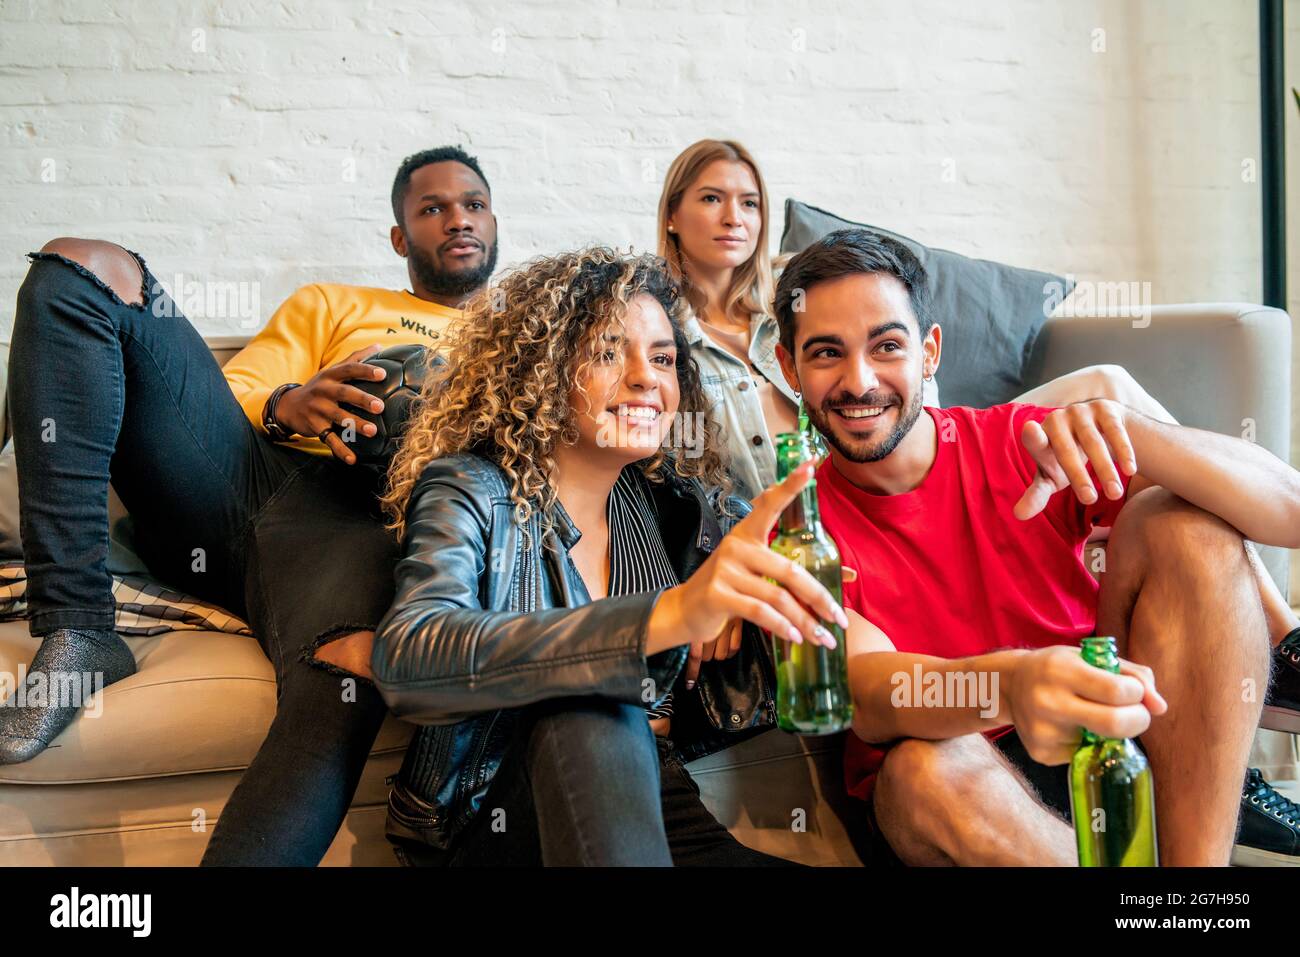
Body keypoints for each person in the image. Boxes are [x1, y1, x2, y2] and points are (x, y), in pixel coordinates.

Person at [0, 145, 496, 865]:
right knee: (78, 264)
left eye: (473, 204)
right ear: (400, 236)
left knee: (347, 674)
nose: (457, 218)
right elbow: (234, 396)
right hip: (245, 483)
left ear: (494, 220)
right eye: (433, 207)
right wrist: (291, 403)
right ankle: (79, 627)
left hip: (370, 533)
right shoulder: (331, 303)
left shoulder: (522, 341)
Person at [769, 227, 1300, 865]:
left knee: (1183, 522)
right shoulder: (796, 529)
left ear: (930, 353)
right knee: (921, 771)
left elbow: (1289, 511)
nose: (860, 382)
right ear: (789, 367)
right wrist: (1014, 683)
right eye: (827, 353)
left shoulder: (1021, 442)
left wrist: (1132, 430)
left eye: (886, 346)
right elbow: (872, 695)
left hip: (1107, 742)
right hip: (963, 780)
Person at [371, 247, 840, 866]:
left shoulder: (680, 509)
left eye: (664, 358)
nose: (647, 377)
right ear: (539, 369)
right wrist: (669, 615)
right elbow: (410, 655)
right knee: (591, 710)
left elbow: (823, 602)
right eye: (608, 351)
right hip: (504, 820)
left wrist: (755, 589)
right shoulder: (471, 489)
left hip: (657, 803)